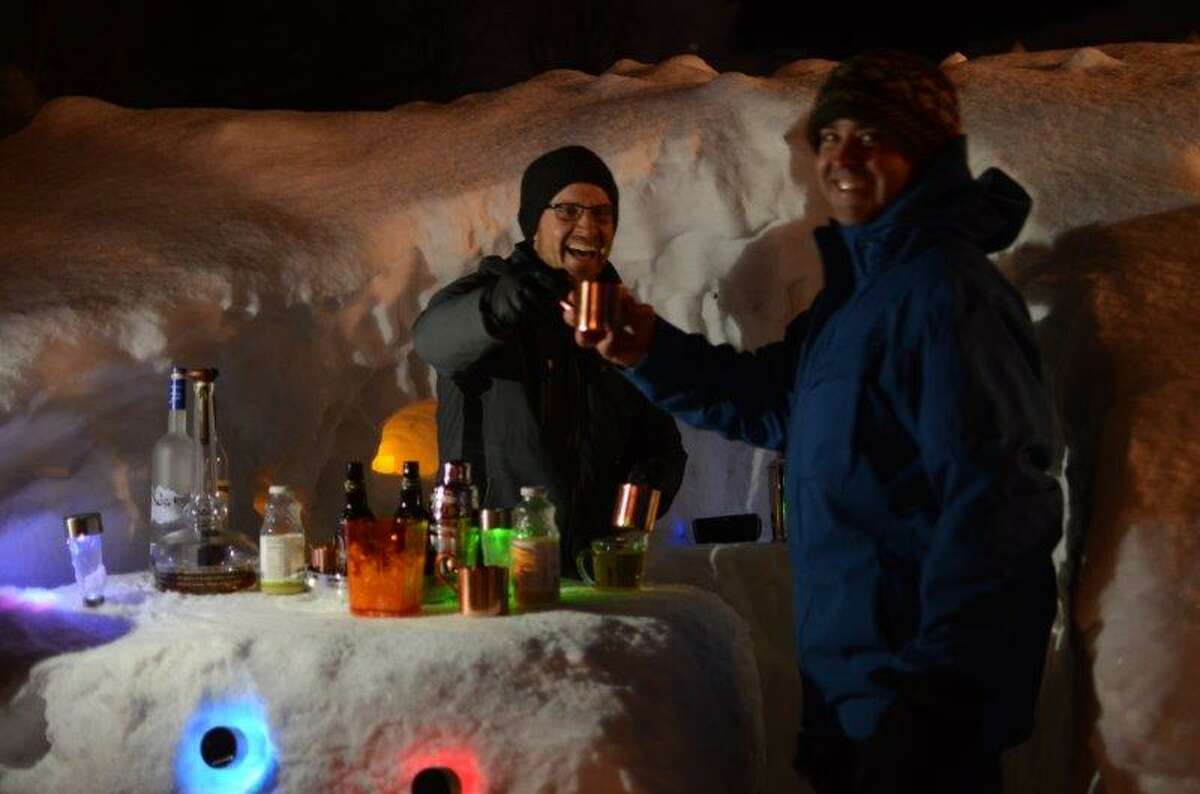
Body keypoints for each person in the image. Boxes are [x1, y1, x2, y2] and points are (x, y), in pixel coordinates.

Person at [567, 52, 1062, 793]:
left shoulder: (944, 296)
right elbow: (777, 406)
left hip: (920, 714)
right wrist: (649, 352)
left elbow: (999, 508)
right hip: (856, 698)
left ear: (928, 148)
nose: (841, 156)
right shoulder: (858, 302)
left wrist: (937, 707)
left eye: (870, 134)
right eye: (829, 137)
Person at [413, 145, 687, 571]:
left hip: (590, 573)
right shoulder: (487, 298)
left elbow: (662, 442)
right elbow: (433, 340)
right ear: (533, 223)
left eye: (602, 213)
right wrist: (500, 306)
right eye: (568, 211)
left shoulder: (619, 320)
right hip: (493, 569)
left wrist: (649, 486)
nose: (589, 226)